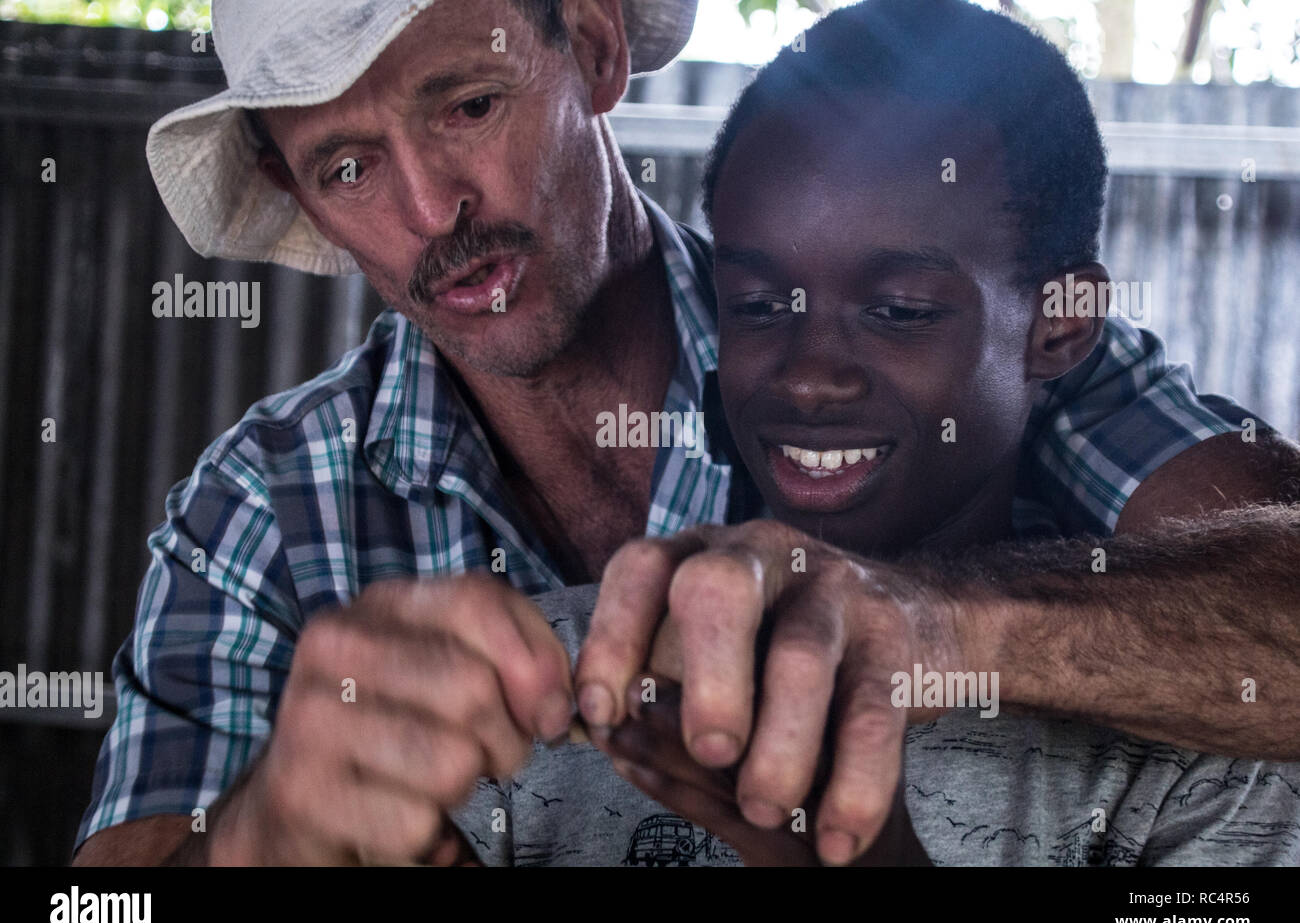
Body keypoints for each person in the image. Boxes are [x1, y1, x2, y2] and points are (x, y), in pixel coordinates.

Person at [73, 0, 1300, 866]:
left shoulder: (968, 354)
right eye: (345, 167)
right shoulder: (262, 509)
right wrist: (253, 838)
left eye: (469, 103)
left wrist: (923, 615)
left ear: (594, 49)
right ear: (297, 197)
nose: (429, 209)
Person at [575, 0, 1300, 865]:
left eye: (898, 311)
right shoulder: (588, 679)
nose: (809, 375)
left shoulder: (1215, 747)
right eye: (759, 306)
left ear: (1060, 328)